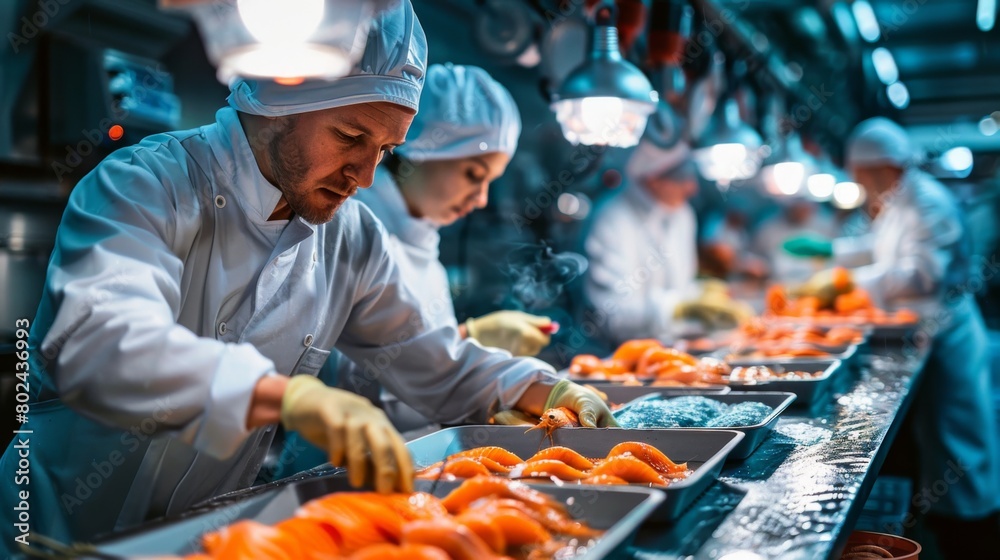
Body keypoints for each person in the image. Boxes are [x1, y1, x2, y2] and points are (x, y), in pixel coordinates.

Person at [0, 2, 614, 549]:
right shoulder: (144, 185)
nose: (365, 176)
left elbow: (433, 360)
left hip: (201, 539)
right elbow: (100, 344)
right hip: (51, 528)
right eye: (350, 136)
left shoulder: (352, 237)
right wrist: (286, 396)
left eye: (385, 150)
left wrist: (544, 388)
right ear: (279, 105)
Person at [785, 117, 999, 556]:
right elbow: (879, 248)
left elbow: (922, 273)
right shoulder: (901, 199)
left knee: (960, 438)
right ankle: (948, 522)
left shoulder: (929, 202)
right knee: (940, 438)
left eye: (862, 175)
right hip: (925, 331)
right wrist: (833, 252)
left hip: (948, 334)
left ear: (882, 167)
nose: (860, 185)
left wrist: (845, 283)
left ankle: (974, 534)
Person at [584, 137, 747, 343]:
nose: (692, 189)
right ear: (653, 179)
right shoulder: (612, 220)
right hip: (623, 350)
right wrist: (679, 309)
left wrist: (704, 293)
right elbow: (611, 314)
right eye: (683, 178)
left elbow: (682, 285)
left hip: (676, 346)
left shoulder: (682, 214)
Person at [753, 197, 836, 283]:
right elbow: (755, 258)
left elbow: (836, 258)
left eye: (804, 206)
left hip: (818, 284)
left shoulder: (825, 227)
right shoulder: (768, 230)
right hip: (779, 283)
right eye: (797, 207)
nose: (801, 210)